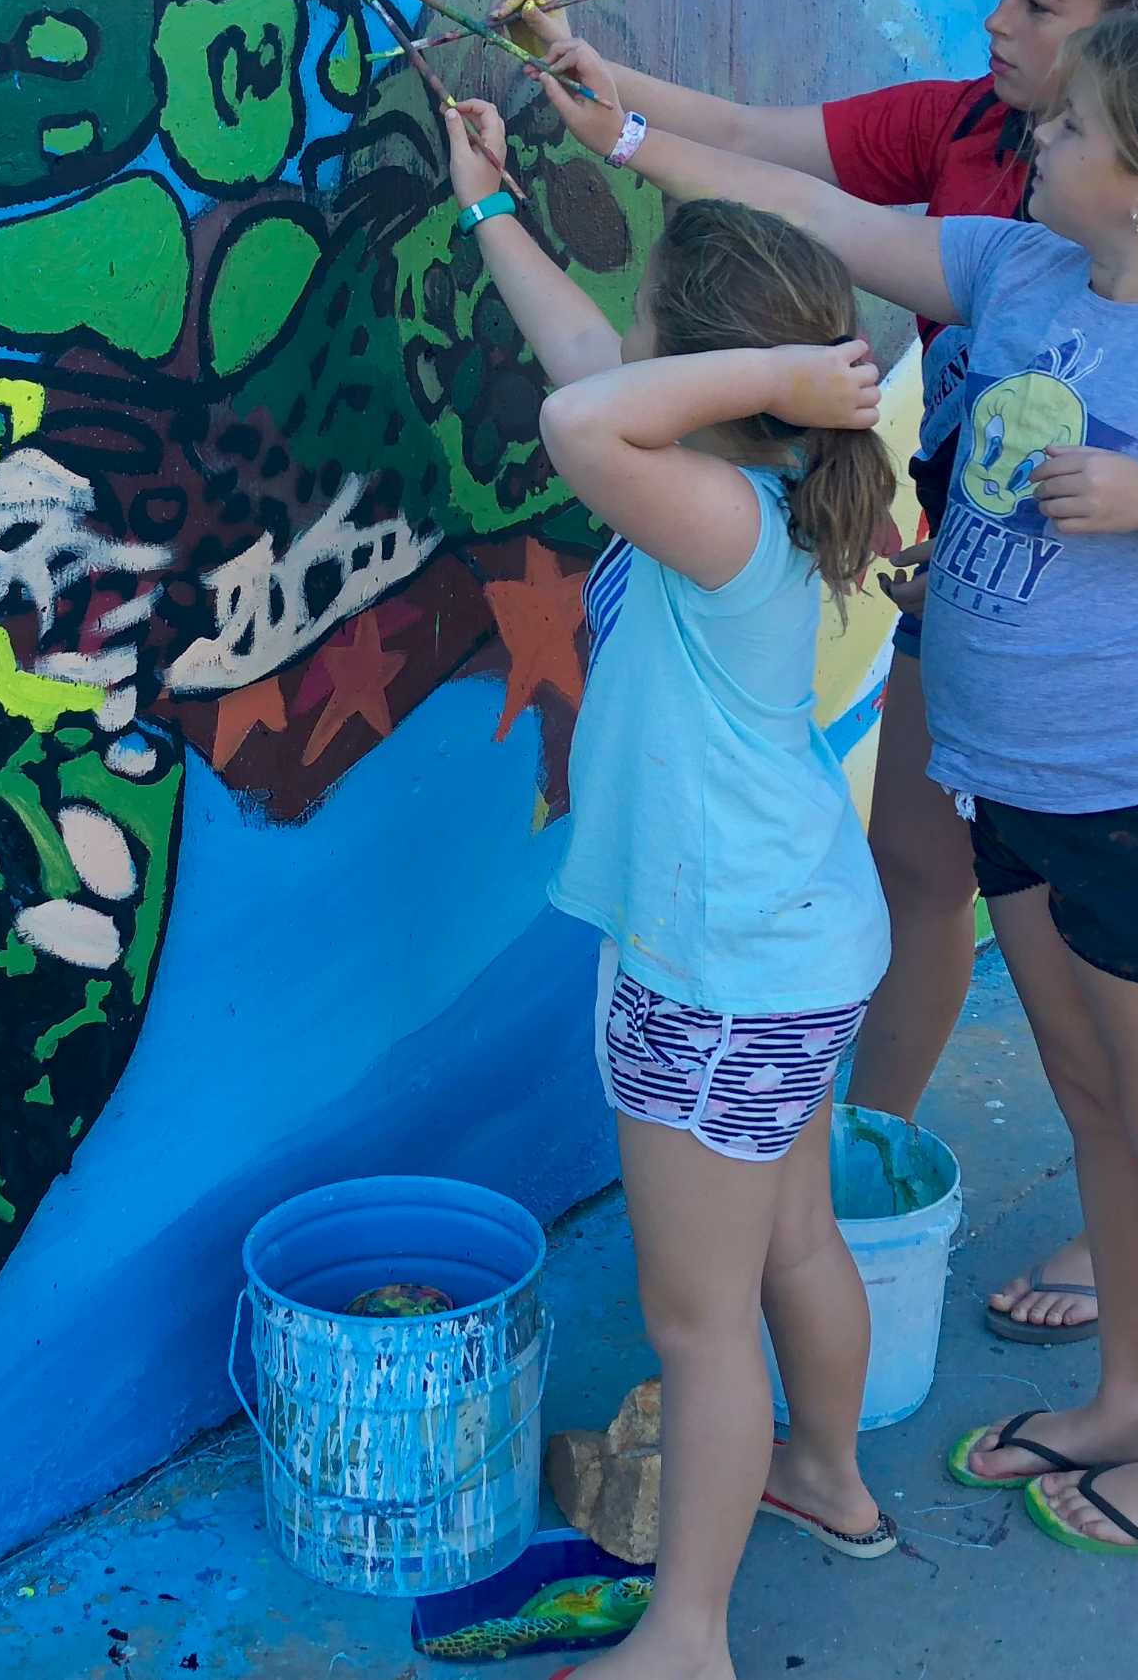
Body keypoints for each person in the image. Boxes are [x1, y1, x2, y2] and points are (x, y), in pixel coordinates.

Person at [519, 0, 1138, 1557]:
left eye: (1070, 126)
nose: (1033, 134)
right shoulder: (1020, 268)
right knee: (1094, 1110)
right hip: (1025, 789)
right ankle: (1132, 1395)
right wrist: (624, 132)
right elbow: (810, 210)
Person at [498, 0, 1138, 1346]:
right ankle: (860, 1157)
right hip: (972, 627)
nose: (992, 24)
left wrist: (1135, 512)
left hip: (1128, 734)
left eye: (1032, 0)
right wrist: (617, 113)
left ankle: (1137, 1290)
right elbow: (767, 160)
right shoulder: (991, 188)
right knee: (940, 896)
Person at [433, 96, 898, 1676]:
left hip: (719, 964)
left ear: (718, 369)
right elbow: (592, 378)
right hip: (799, 932)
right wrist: (489, 208)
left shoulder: (717, 513)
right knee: (794, 1244)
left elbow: (583, 421)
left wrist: (767, 376)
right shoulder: (745, 491)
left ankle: (685, 1635)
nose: (624, 338)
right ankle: (828, 1478)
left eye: (657, 327)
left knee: (702, 1318)